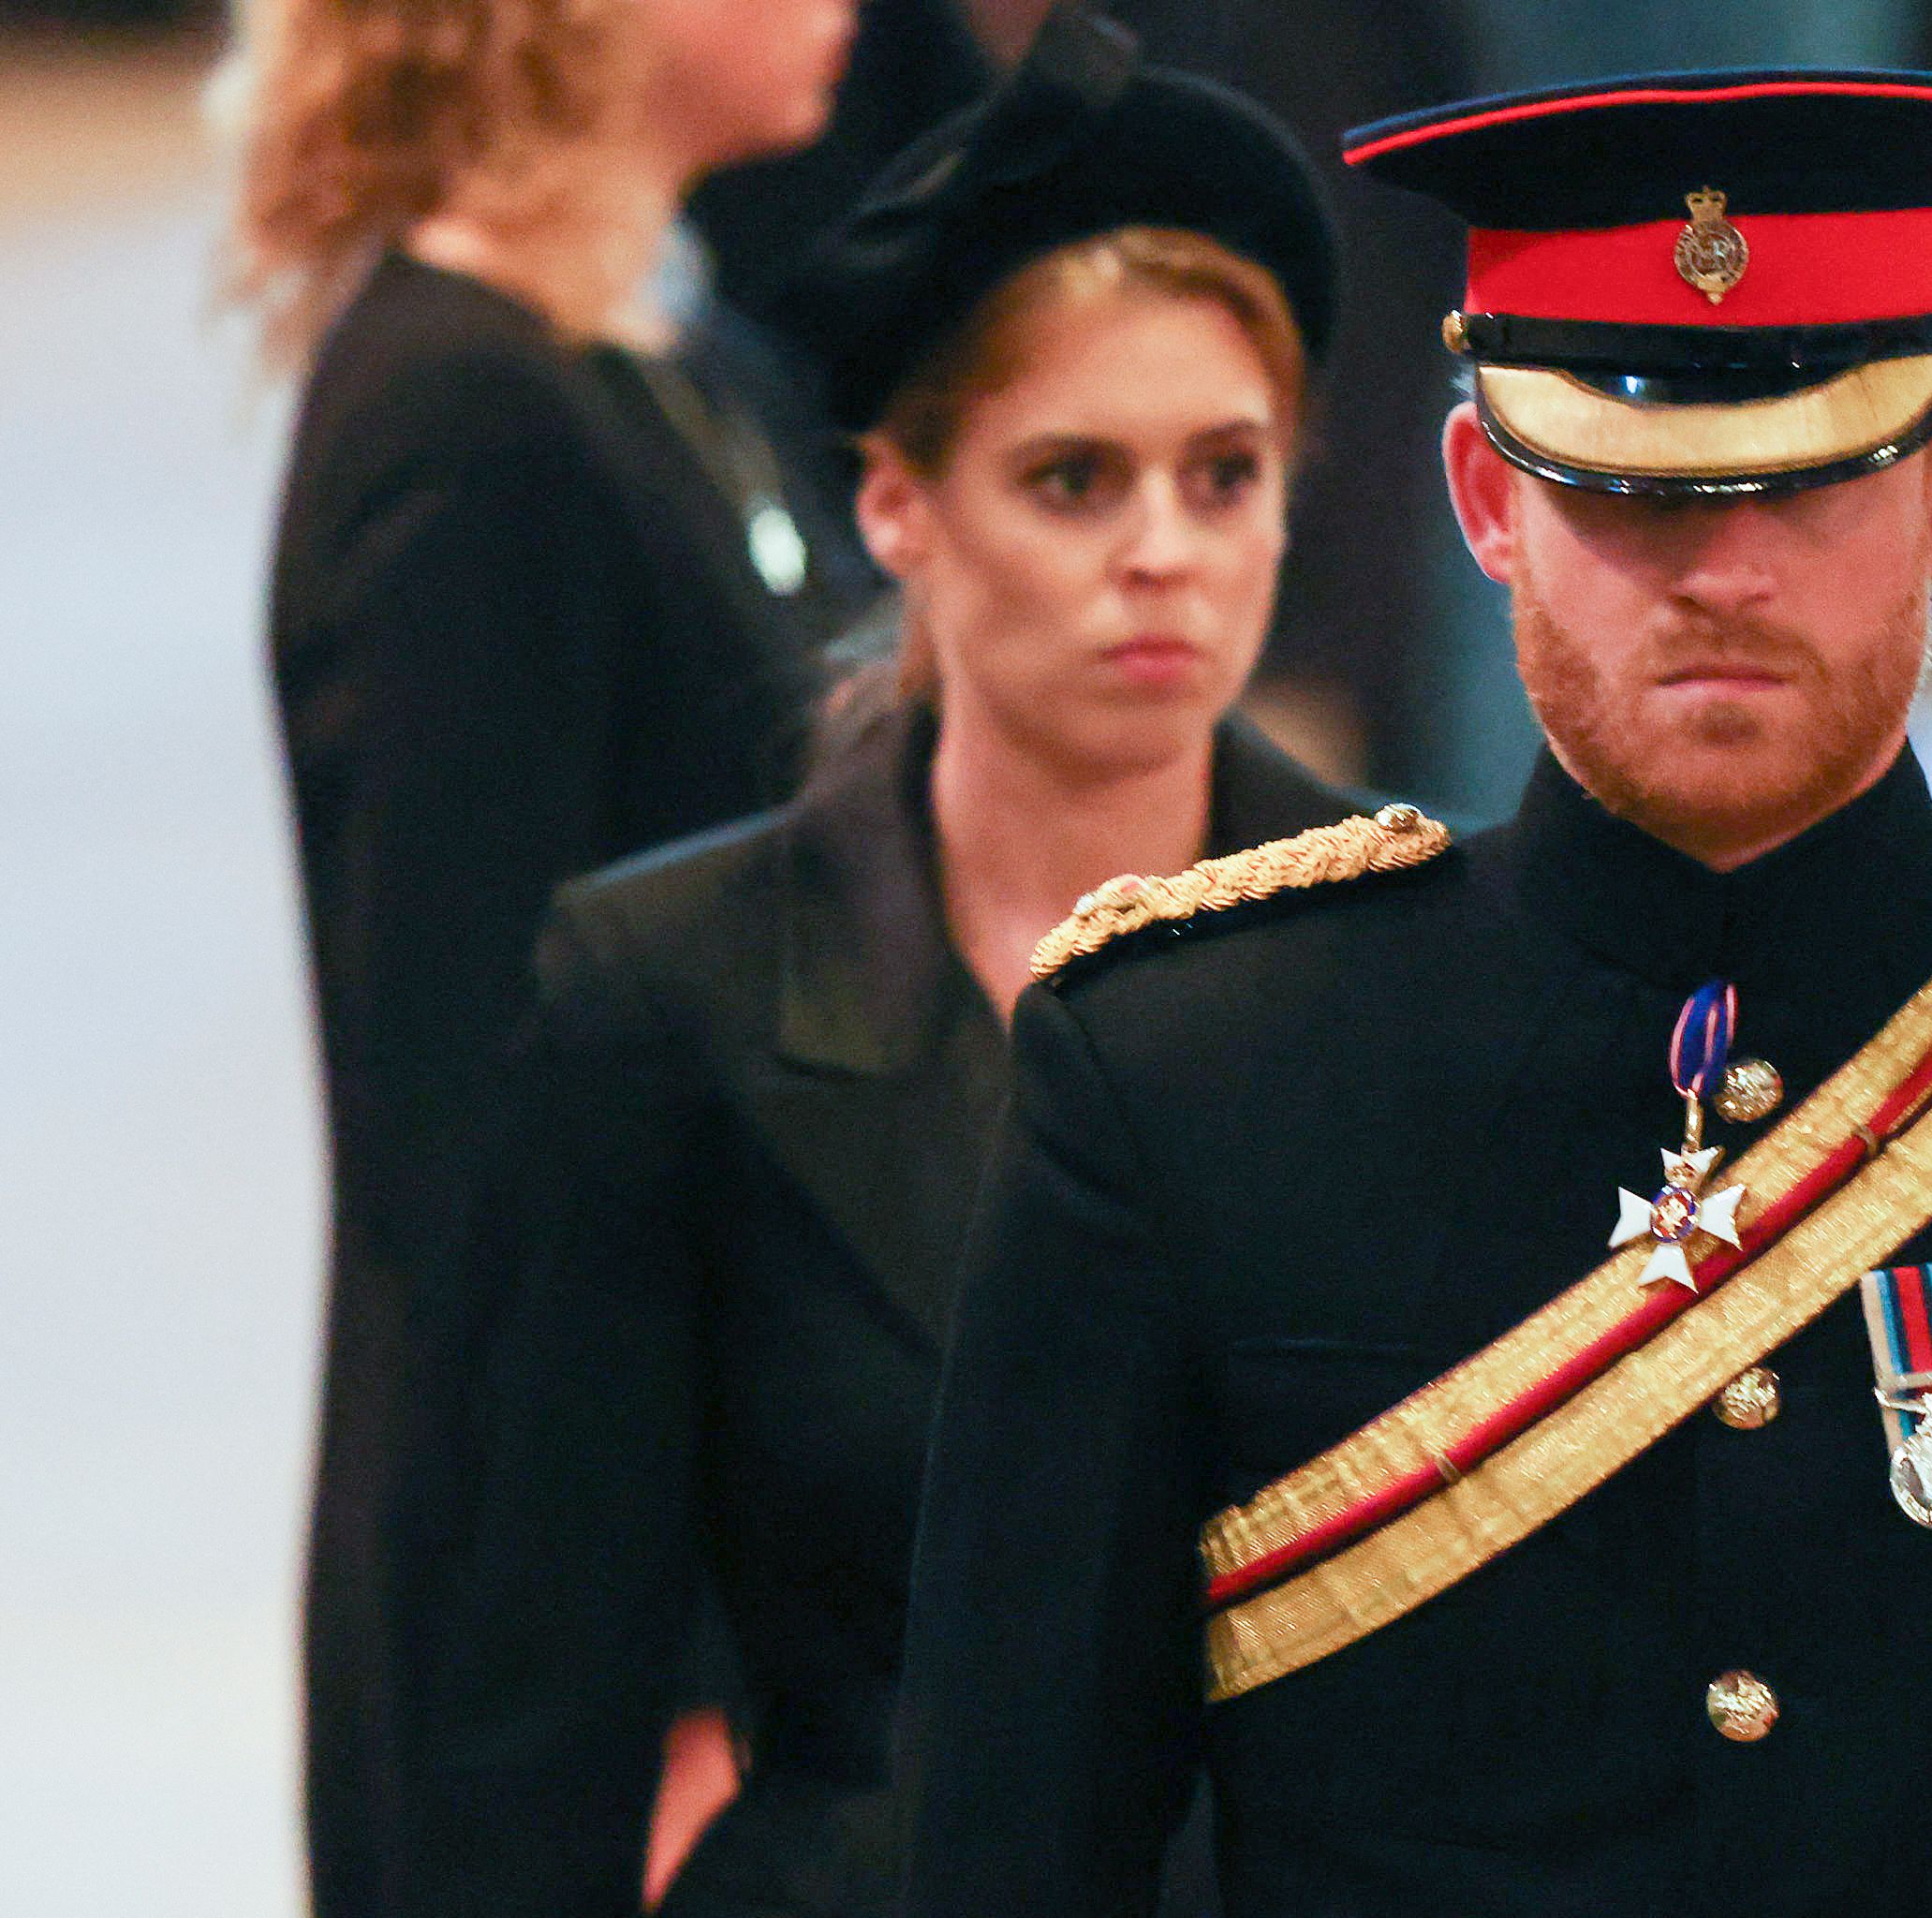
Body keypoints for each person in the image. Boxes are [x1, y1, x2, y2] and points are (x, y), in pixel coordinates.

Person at [896, 65, 1932, 1917]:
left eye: (1818, 486)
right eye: (1631, 496)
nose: (1724, 573)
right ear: (1487, 500)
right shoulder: (1182, 1070)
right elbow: (1013, 1839)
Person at [406, 15, 1358, 1913]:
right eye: (1074, 480)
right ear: (897, 510)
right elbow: (533, 1700)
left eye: (1225, 473)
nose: (1163, 551)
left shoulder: (1405, 965)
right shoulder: (666, 993)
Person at [228, 1, 858, 1909]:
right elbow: (479, 1131)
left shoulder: (684, 357)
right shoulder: (461, 419)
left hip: (729, 1531)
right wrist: (667, 1683)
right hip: (561, 1613)